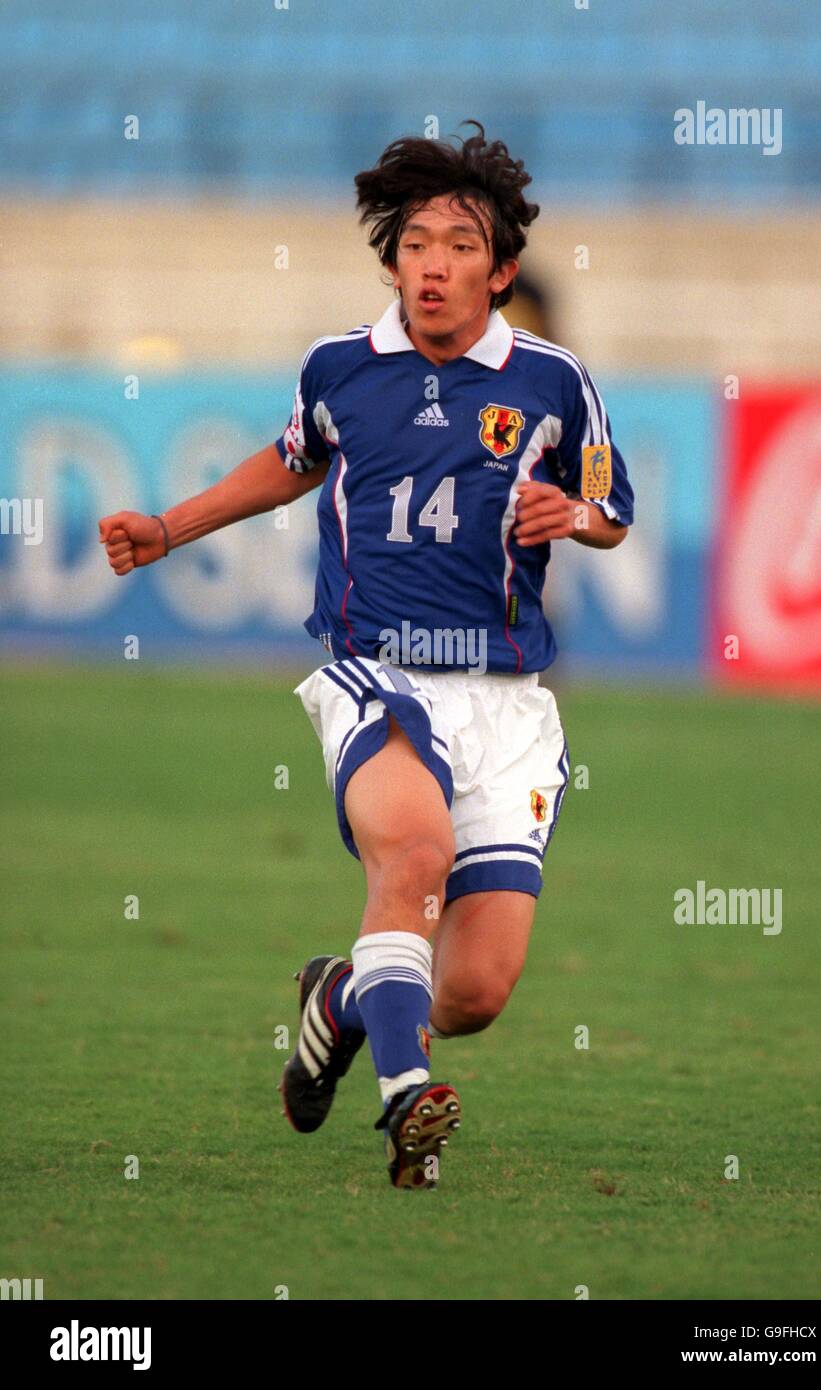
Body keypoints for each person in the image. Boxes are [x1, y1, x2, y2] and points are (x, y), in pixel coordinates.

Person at [98, 121, 634, 1192]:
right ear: (392, 259)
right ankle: (405, 1100)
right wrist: (171, 525)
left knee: (475, 987)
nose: (433, 264)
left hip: (506, 701)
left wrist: (570, 513)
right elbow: (291, 460)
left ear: (501, 269)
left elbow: (614, 508)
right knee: (413, 856)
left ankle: (342, 998)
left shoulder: (552, 381)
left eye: (458, 244)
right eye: (415, 243)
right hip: (373, 669)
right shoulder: (340, 366)